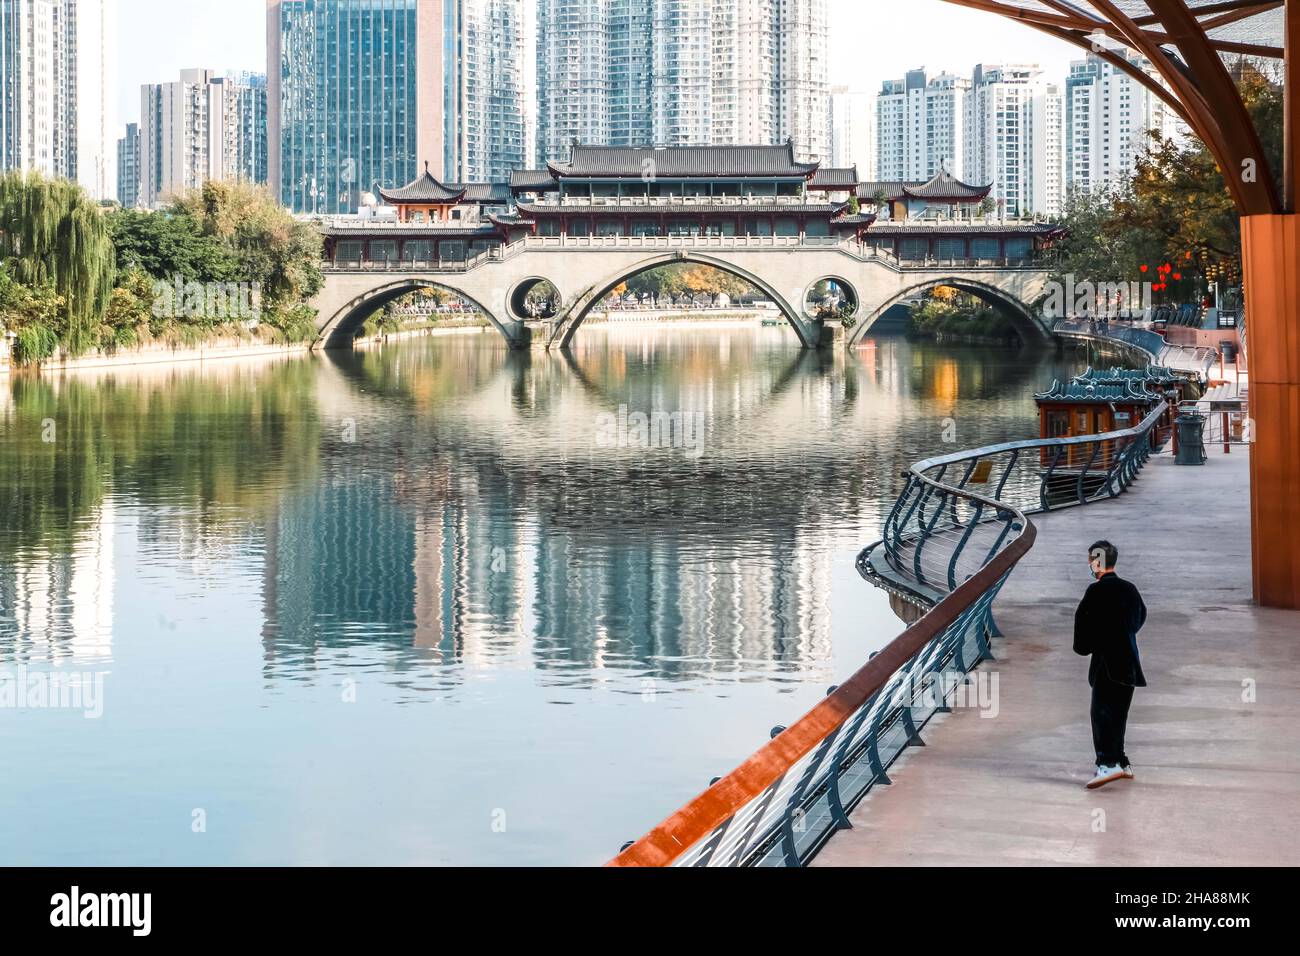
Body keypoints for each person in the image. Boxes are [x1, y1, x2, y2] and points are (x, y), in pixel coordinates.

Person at [1073, 540, 1147, 789]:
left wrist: (1089, 645)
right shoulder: (1130, 589)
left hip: (1107, 663)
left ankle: (1107, 764)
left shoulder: (1095, 592)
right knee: (1119, 714)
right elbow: (1139, 618)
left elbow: (1082, 632)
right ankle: (1122, 762)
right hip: (1129, 662)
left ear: (1095, 562)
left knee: (1101, 713)